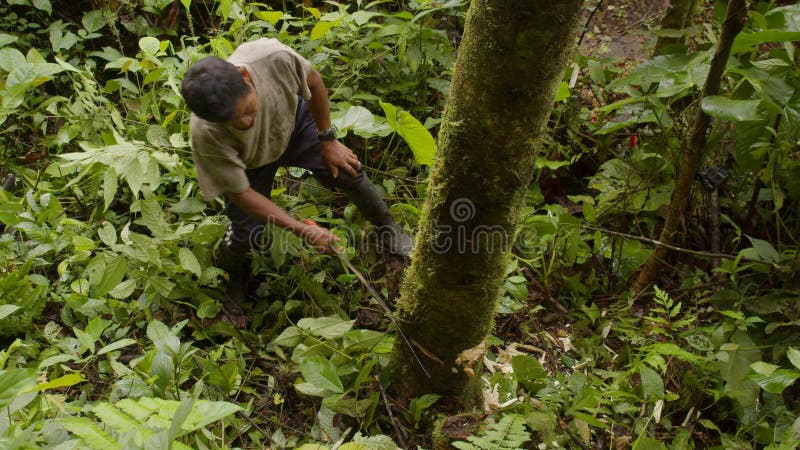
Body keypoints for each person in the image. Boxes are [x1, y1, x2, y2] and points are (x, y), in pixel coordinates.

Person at [180, 38, 413, 324]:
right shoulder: (205, 132)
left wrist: (328, 139)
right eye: (232, 123)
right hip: (249, 164)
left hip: (294, 125)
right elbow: (241, 192)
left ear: (244, 77)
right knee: (244, 232)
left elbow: (314, 82)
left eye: (247, 111)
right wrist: (303, 230)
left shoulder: (270, 57)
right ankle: (236, 278)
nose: (244, 124)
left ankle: (388, 227)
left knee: (348, 171)